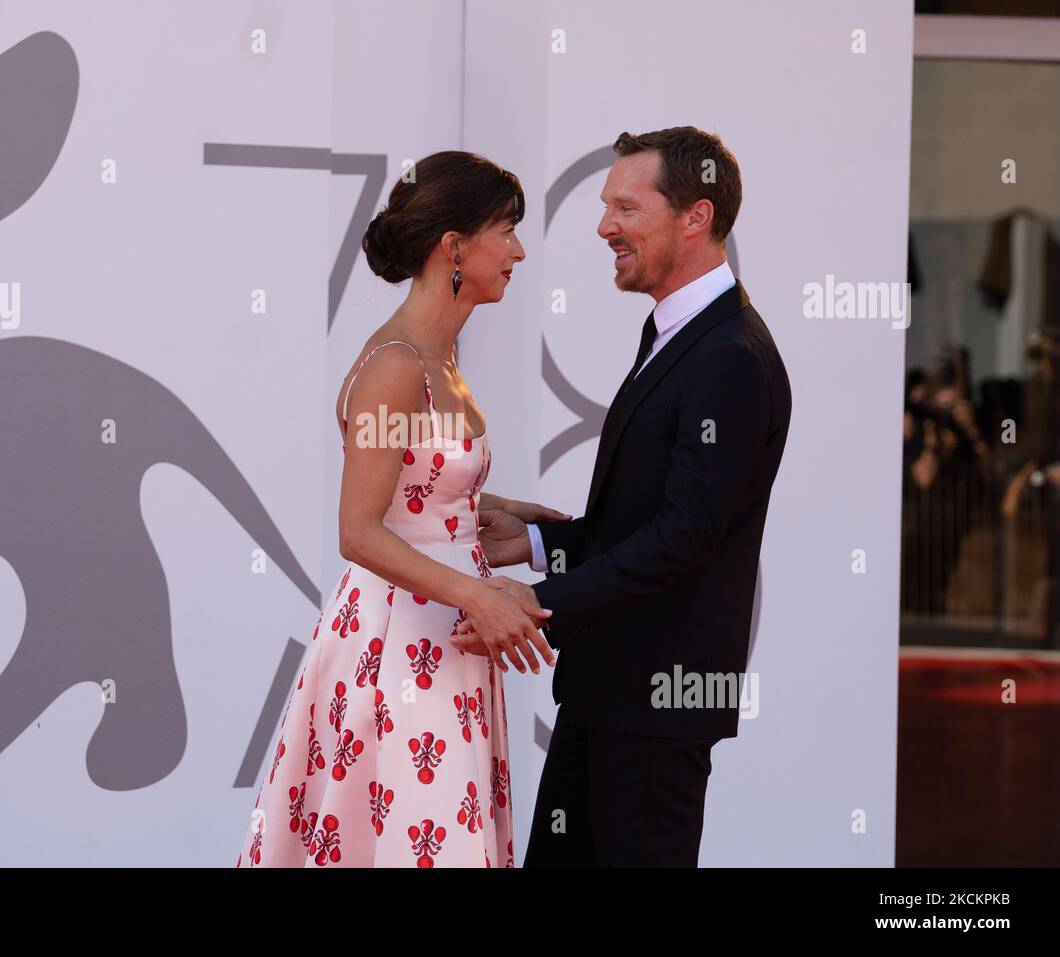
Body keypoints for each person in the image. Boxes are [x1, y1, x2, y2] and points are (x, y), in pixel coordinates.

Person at [458, 126, 793, 866]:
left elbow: (683, 540)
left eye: (625, 207)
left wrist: (537, 603)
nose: (604, 225)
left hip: (656, 707)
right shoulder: (682, 337)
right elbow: (652, 518)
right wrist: (540, 539)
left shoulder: (729, 358)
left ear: (694, 217)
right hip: (616, 696)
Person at [237, 151, 562, 868]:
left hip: (445, 640)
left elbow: (421, 491)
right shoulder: (397, 363)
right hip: (398, 652)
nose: (517, 250)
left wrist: (512, 515)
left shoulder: (438, 355)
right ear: (454, 247)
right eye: (505, 230)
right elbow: (358, 529)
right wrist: (481, 594)